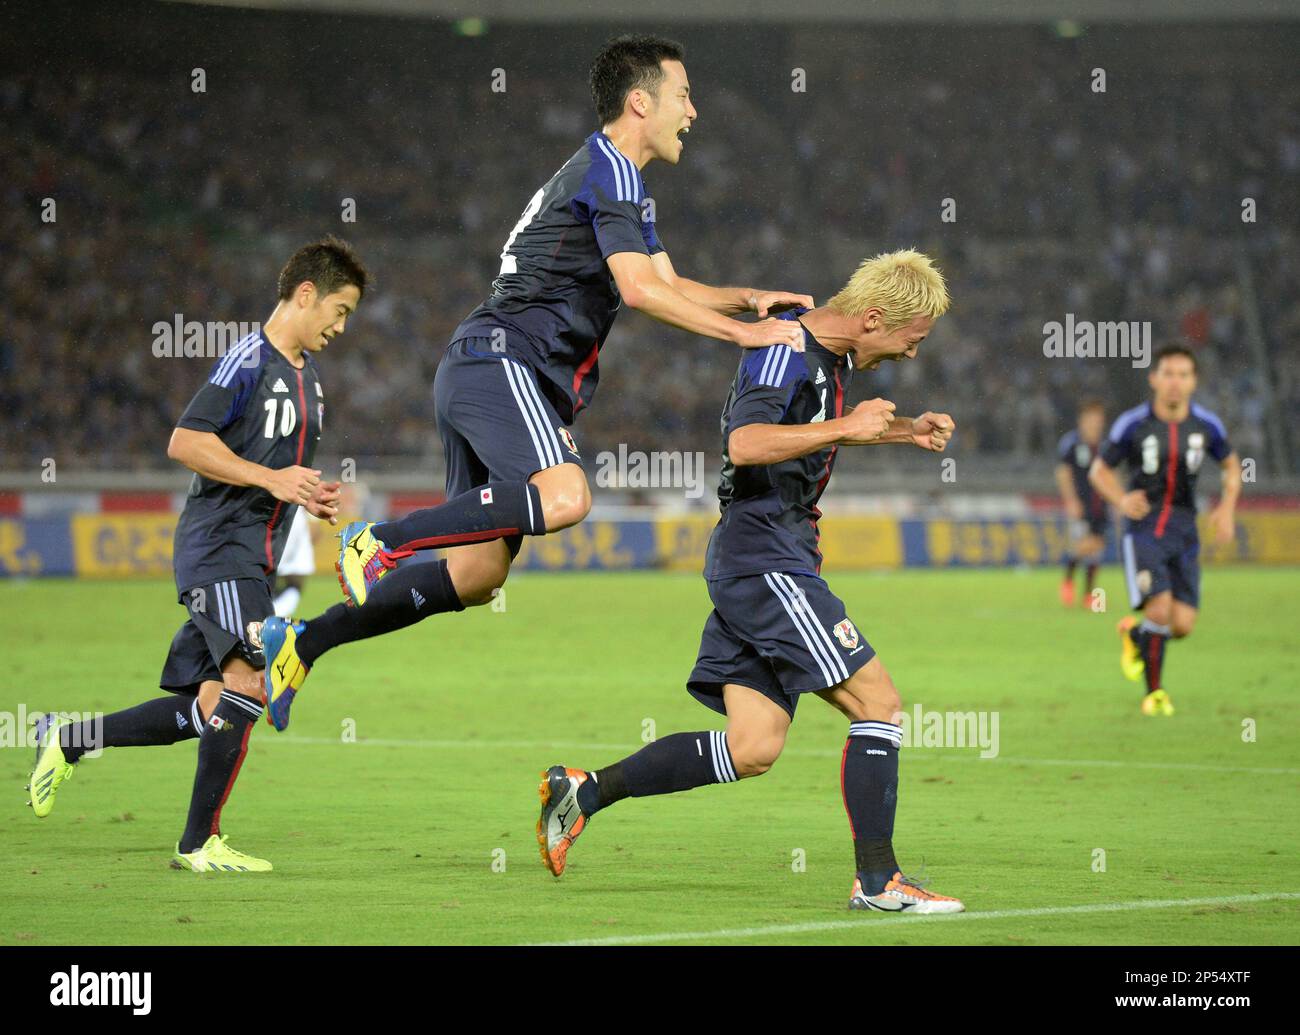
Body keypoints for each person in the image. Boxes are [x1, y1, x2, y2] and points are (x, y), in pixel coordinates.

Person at [258, 34, 813, 731]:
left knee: (475, 575)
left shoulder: (615, 177)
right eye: (683, 96)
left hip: (485, 369)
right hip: (501, 363)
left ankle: (303, 642)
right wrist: (746, 335)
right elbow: (639, 292)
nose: (693, 112)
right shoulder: (609, 170)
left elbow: (667, 281)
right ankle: (382, 539)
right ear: (640, 101)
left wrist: (746, 298)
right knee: (567, 493)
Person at [538, 250, 966, 913]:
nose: (913, 355)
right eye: (914, 339)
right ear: (876, 318)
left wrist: (900, 432)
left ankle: (586, 790)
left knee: (753, 745)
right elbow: (746, 441)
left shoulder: (821, 356)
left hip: (757, 558)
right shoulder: (786, 344)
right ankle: (880, 882)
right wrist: (848, 426)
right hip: (767, 556)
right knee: (878, 703)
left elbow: (799, 437)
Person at [27, 236, 365, 871]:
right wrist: (270, 481)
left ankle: (69, 740)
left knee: (212, 706)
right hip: (220, 548)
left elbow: (276, 468)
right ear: (305, 294)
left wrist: (308, 494)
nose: (342, 326)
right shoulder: (247, 360)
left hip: (253, 555)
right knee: (251, 684)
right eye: (340, 310)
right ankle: (197, 844)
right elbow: (184, 440)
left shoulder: (308, 380)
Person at [1089, 346, 1240, 717]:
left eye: (1183, 375)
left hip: (1185, 529)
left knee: (1183, 624)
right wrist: (1121, 500)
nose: (1176, 382)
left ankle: (1137, 636)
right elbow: (1099, 471)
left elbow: (1232, 466)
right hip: (1143, 531)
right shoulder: (1133, 424)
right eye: (1168, 374)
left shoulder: (1207, 425)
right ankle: (1154, 694)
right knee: (1158, 608)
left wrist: (1226, 508)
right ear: (1153, 379)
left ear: (1194, 382)